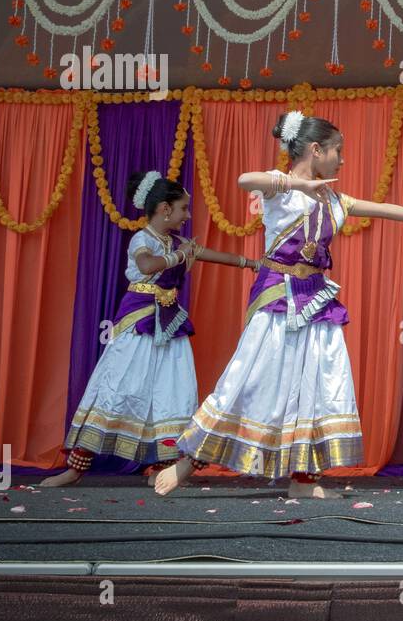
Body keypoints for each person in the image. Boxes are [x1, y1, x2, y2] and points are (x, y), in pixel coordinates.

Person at [154, 110, 403, 498]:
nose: (343, 159)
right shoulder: (278, 187)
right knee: (251, 379)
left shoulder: (336, 198)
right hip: (278, 296)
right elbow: (244, 179)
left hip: (317, 299)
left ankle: (303, 480)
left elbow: (385, 210)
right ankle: (188, 462)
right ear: (316, 150)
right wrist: (294, 186)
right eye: (337, 151)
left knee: (317, 384)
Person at [41, 171, 258, 487]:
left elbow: (217, 256)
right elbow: (147, 266)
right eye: (183, 208)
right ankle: (75, 469)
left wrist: (254, 264)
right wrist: (180, 255)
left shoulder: (177, 243)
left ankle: (166, 467)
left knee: (172, 393)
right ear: (165, 209)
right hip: (139, 325)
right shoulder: (142, 240)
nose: (187, 215)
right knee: (116, 390)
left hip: (169, 325)